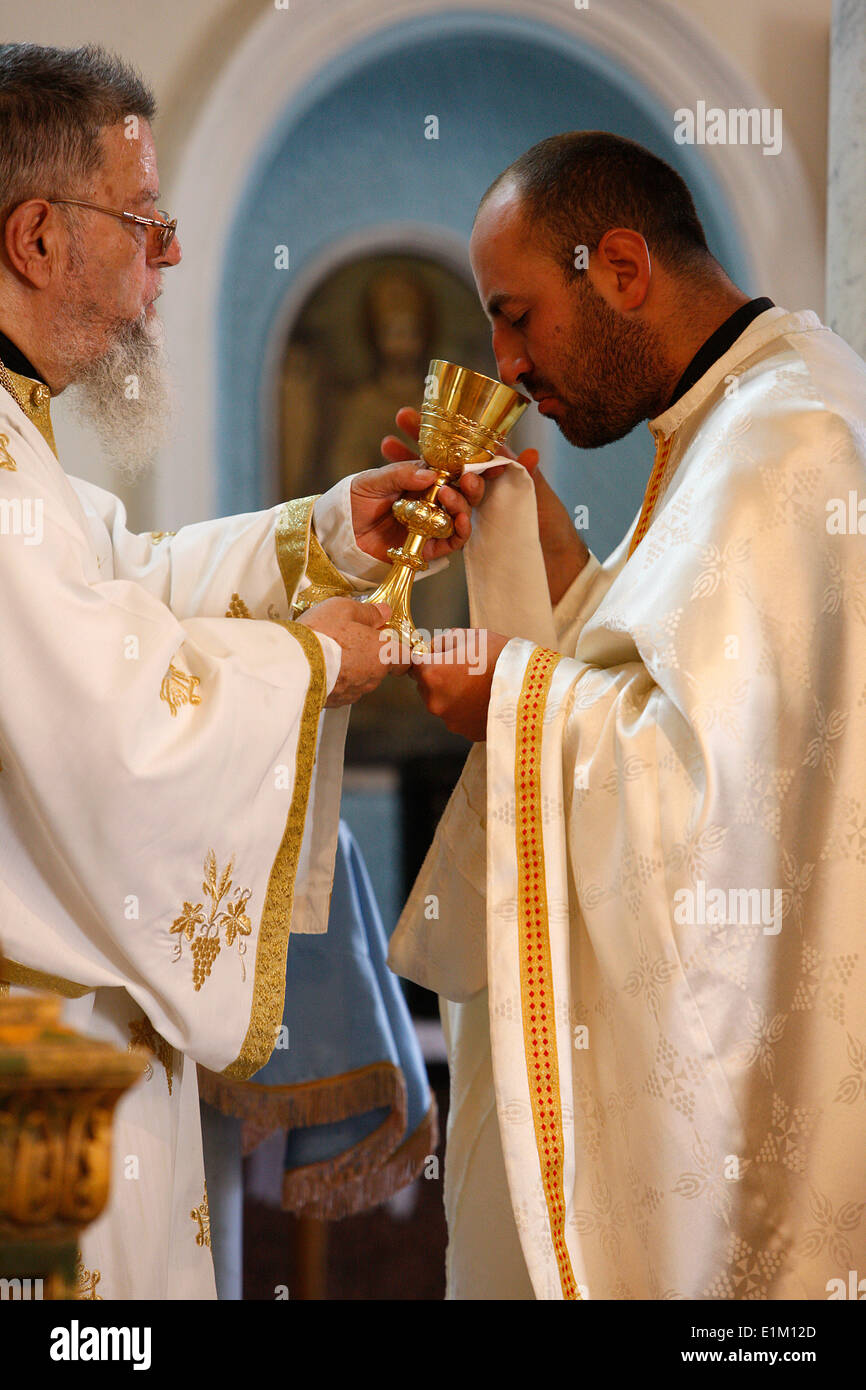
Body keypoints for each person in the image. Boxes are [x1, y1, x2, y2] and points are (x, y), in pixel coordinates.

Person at [0, 42, 488, 1299]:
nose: (165, 262)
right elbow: (109, 729)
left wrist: (323, 533)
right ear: (39, 237)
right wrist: (304, 663)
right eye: (145, 223)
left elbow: (124, 589)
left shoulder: (25, 449)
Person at [386, 131, 866, 1299]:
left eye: (516, 315)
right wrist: (557, 572)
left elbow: (717, 800)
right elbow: (682, 680)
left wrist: (504, 691)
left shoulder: (789, 440)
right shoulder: (727, 416)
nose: (502, 365)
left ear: (619, 266)